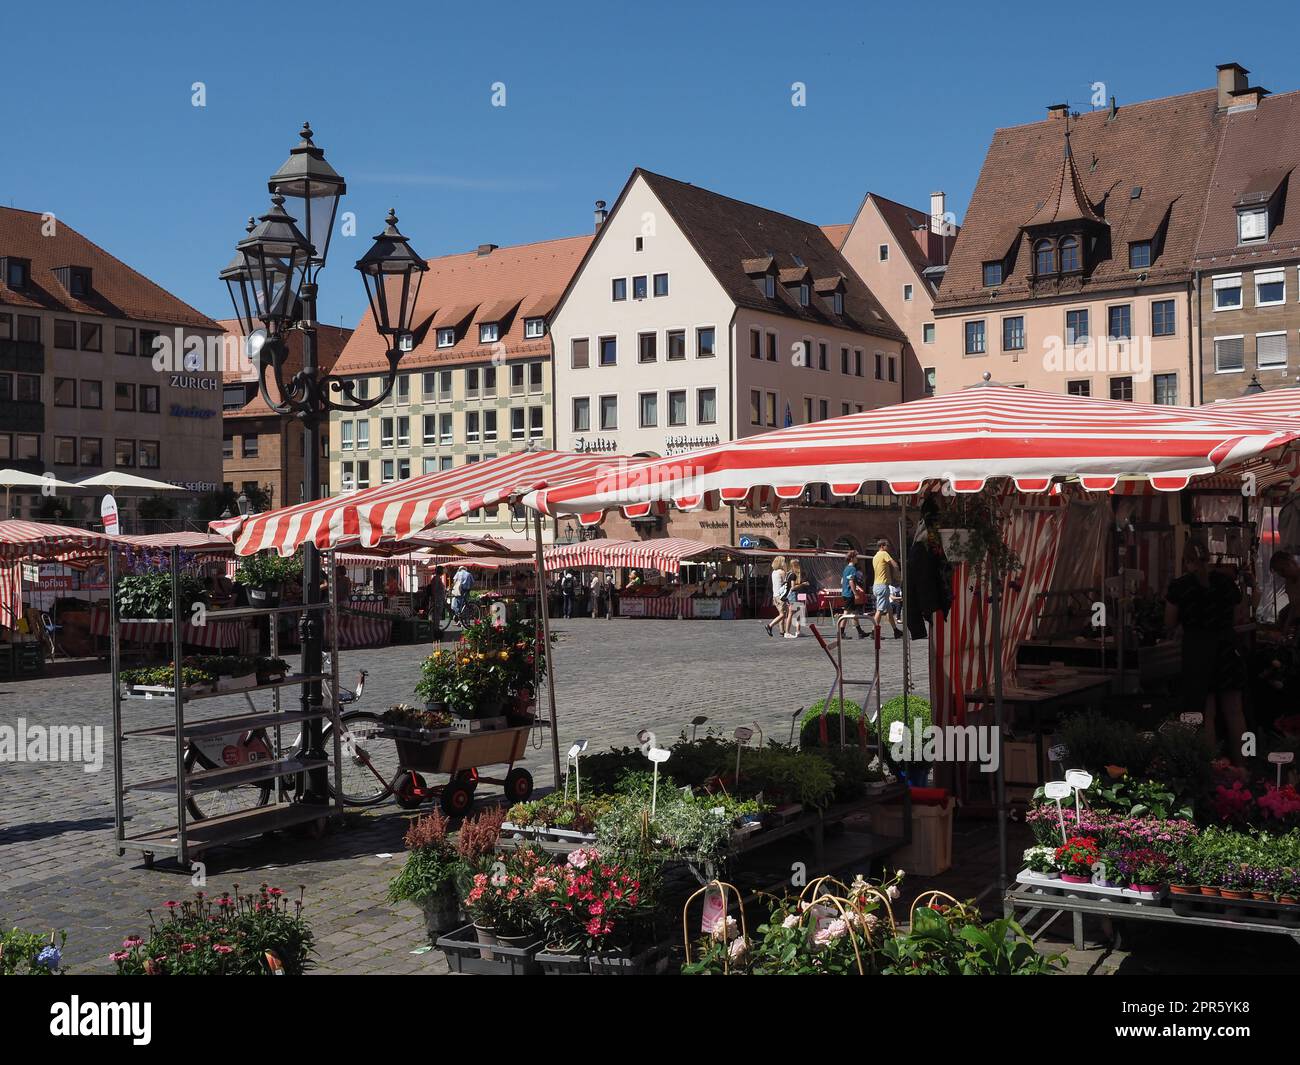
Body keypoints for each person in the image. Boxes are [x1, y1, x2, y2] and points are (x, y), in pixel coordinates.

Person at [1165, 542, 1247, 764]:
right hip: (1227, 648)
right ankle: (1244, 764)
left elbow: (1169, 622)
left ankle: (1212, 768)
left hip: (1198, 652)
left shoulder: (1180, 586)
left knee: (1206, 714)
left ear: (1186, 561)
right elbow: (1239, 616)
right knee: (1235, 712)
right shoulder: (1227, 583)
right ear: (1209, 557)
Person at [872, 538, 903, 639]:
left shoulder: (875, 556)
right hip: (882, 585)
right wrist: (898, 574)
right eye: (887, 545)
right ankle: (874, 632)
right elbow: (894, 564)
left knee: (889, 610)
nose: (888, 547)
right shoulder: (883, 554)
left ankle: (895, 631)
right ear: (882, 546)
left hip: (877, 585)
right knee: (880, 610)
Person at [840, 550, 870, 639]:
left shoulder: (846, 569)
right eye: (856, 557)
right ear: (852, 558)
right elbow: (851, 581)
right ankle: (841, 633)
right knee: (846, 614)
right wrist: (855, 593)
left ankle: (860, 632)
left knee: (854, 613)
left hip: (845, 593)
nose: (857, 559)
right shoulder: (852, 569)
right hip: (849, 594)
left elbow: (842, 581)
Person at [1270, 551, 1300, 636]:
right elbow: (1293, 606)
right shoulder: (1289, 583)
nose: (1281, 574)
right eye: (1278, 571)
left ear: (1291, 562)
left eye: (1282, 570)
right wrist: (1285, 629)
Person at [765, 555, 791, 638]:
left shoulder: (774, 572)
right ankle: (770, 625)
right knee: (783, 614)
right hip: (781, 596)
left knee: (781, 613)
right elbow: (786, 583)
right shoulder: (782, 572)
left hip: (775, 595)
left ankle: (782, 631)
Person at [786, 558, 813, 638]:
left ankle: (798, 631)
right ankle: (787, 632)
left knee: (799, 613)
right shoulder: (793, 575)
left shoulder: (789, 574)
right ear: (796, 565)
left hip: (795, 595)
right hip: (793, 595)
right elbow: (793, 588)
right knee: (791, 614)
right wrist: (803, 584)